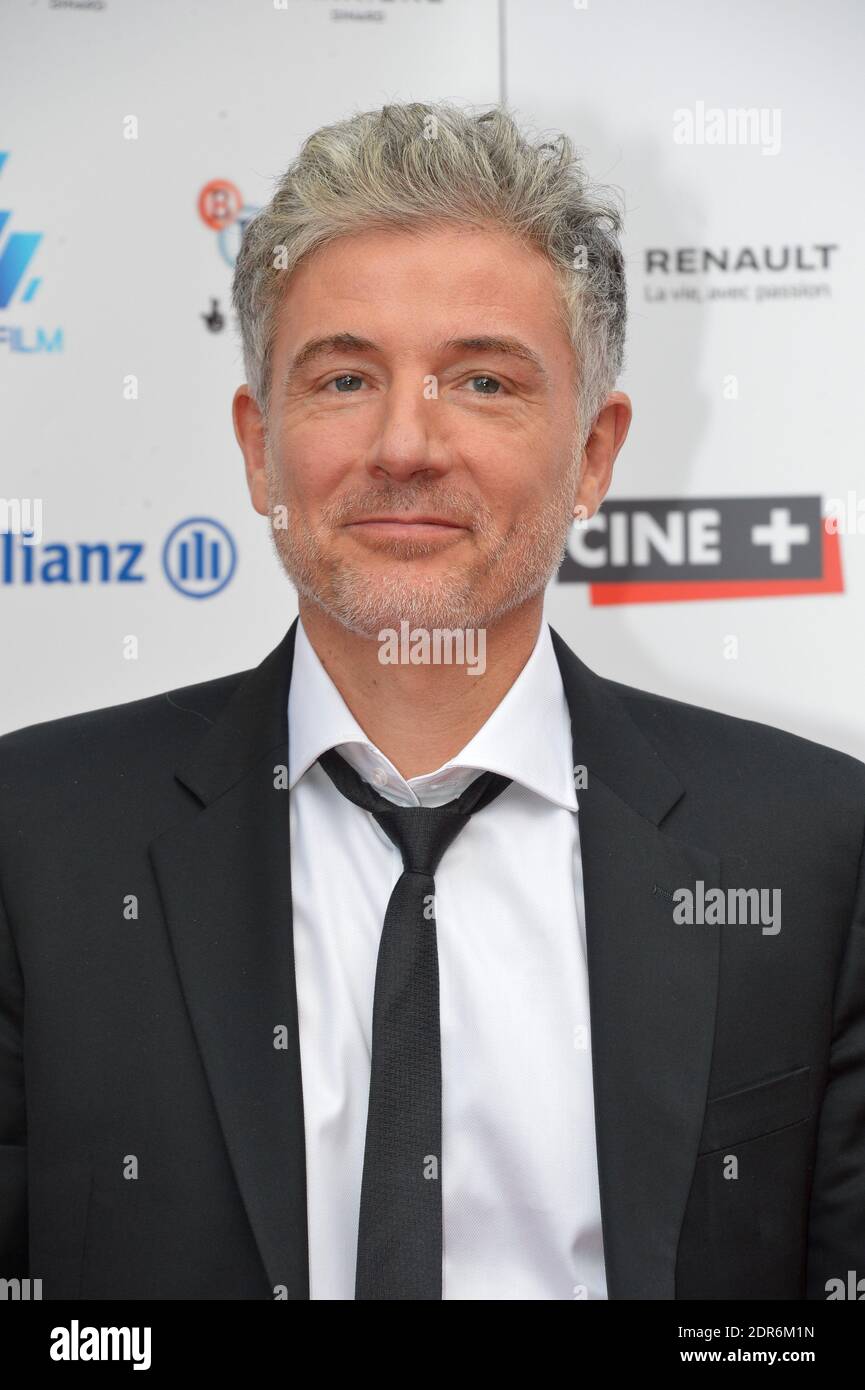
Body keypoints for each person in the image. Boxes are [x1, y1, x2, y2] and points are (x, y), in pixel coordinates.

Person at [1, 102, 863, 1301]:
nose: (406, 444)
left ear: (595, 455)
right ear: (258, 448)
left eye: (484, 381)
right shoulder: (33, 842)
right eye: (345, 376)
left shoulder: (815, 847)